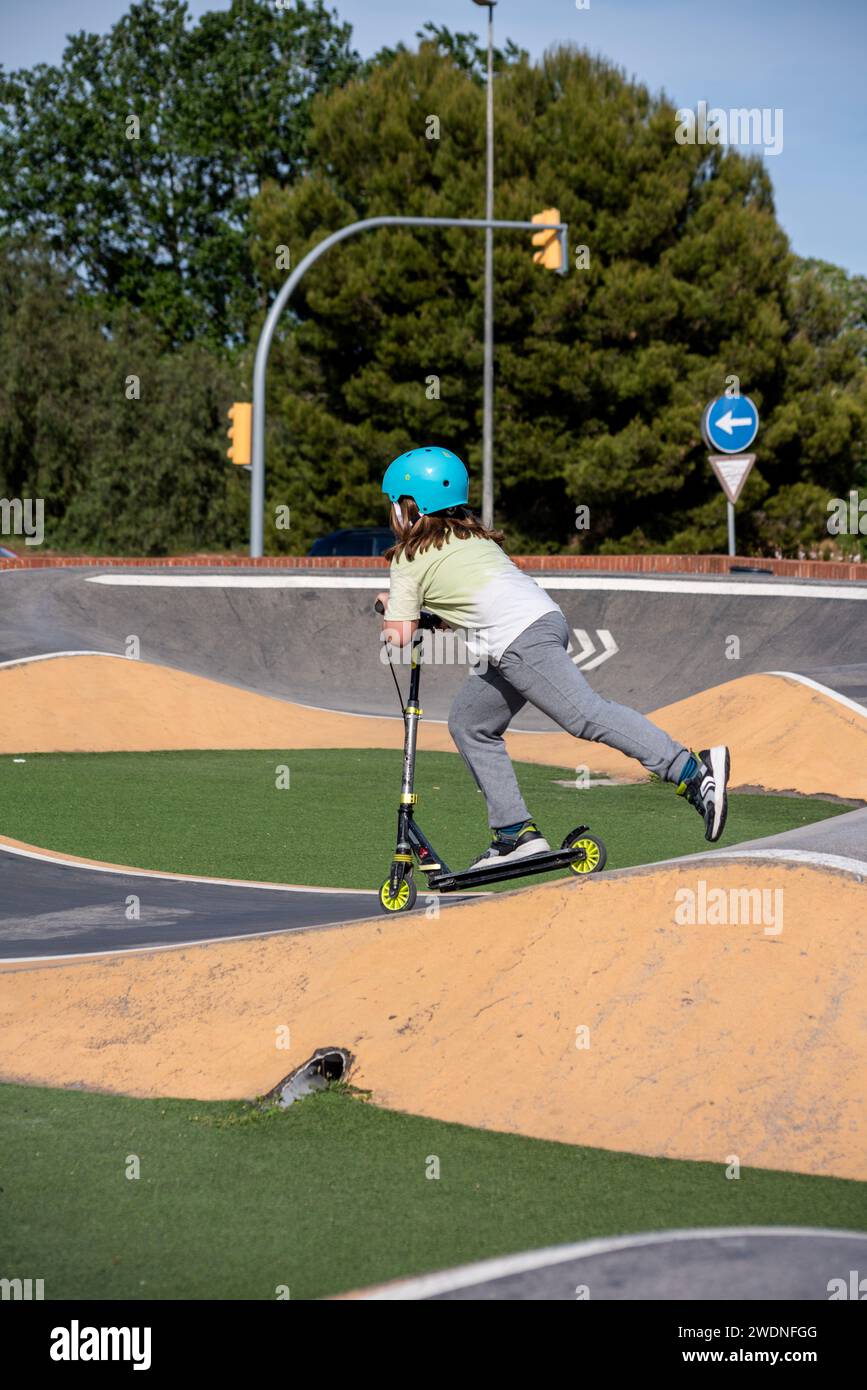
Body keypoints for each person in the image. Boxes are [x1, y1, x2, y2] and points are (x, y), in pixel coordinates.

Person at [377, 445, 730, 870]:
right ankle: (514, 835)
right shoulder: (471, 539)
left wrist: (390, 607)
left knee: (585, 715)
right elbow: (465, 604)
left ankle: (692, 770)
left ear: (409, 507)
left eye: (393, 503)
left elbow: (398, 637)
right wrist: (428, 617)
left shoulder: (409, 560)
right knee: (471, 724)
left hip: (518, 641)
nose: (392, 513)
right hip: (538, 621)